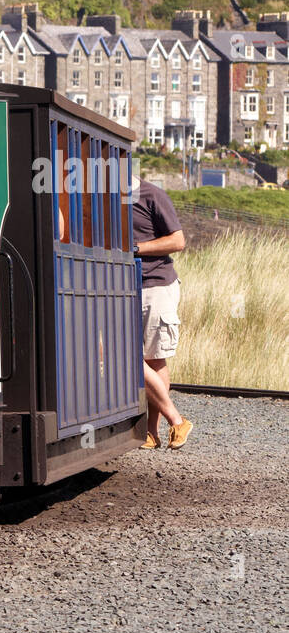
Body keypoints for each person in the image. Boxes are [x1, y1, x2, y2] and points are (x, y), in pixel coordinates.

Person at [131, 179, 192, 450]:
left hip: (156, 285)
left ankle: (156, 430)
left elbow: (178, 241)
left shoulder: (151, 194)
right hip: (125, 287)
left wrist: (135, 249)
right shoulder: (103, 198)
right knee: (136, 358)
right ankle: (169, 425)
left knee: (152, 360)